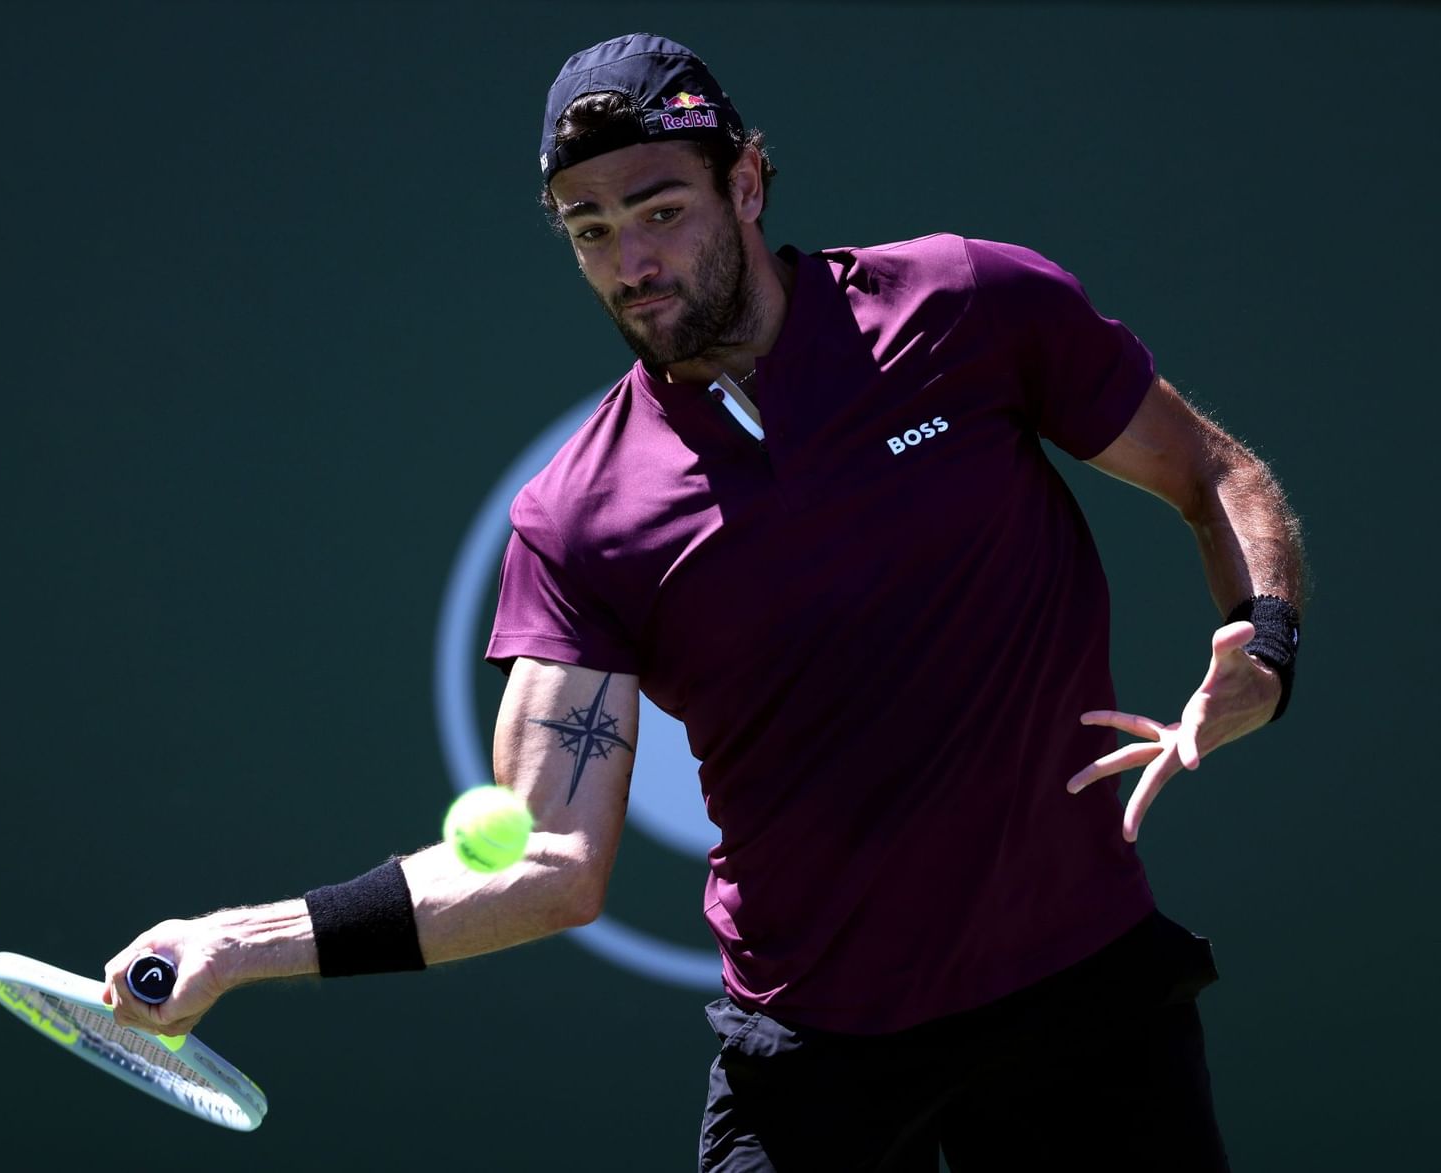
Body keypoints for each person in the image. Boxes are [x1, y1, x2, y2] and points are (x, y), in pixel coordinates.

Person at [104, 34, 1304, 1171]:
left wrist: (1268, 644)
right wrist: (232, 943)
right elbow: (546, 865)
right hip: (819, 1054)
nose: (631, 262)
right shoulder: (580, 518)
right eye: (589, 229)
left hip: (1076, 997)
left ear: (747, 182)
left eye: (659, 210)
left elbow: (1212, 473)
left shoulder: (970, 306)